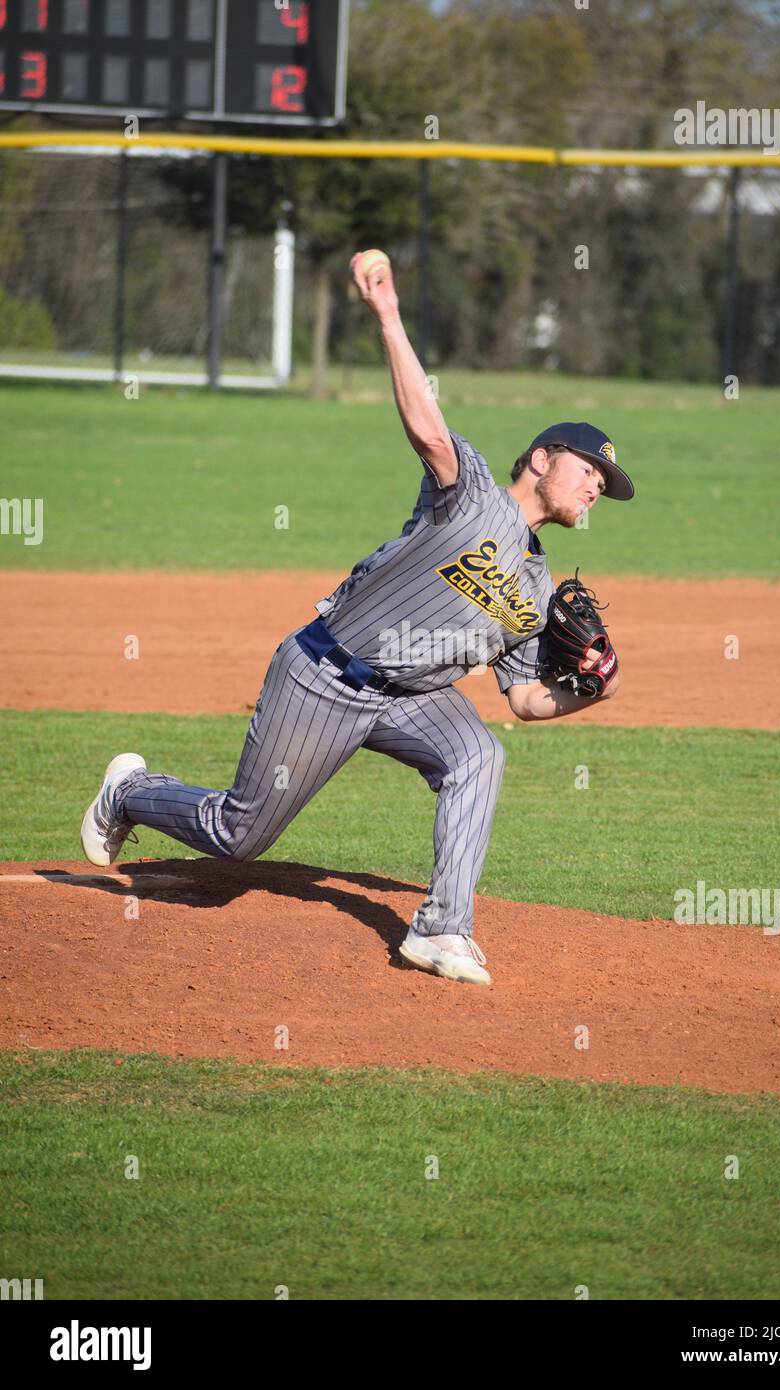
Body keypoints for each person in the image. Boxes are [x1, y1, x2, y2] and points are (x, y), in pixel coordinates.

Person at [81, 251, 634, 987]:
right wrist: (388, 316)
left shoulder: (538, 591)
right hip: (324, 678)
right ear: (540, 458)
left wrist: (592, 692)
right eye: (589, 470)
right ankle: (129, 790)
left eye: (605, 483)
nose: (596, 487)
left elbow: (527, 700)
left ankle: (442, 930)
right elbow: (431, 432)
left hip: (410, 701)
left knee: (480, 756)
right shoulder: (470, 496)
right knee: (238, 836)